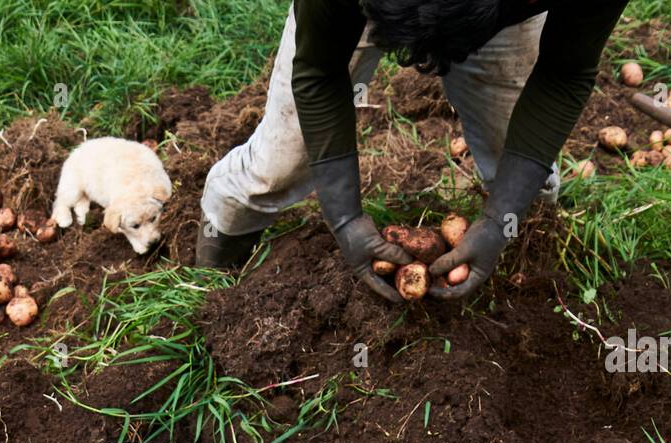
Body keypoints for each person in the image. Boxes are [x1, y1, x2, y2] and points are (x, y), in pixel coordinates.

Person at [197, 0, 630, 301]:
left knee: (527, 191)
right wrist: (344, 218)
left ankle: (514, 301)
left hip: (502, 16)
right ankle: (210, 283)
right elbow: (318, 72)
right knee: (281, 164)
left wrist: (501, 221)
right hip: (367, 9)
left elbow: (564, 74)